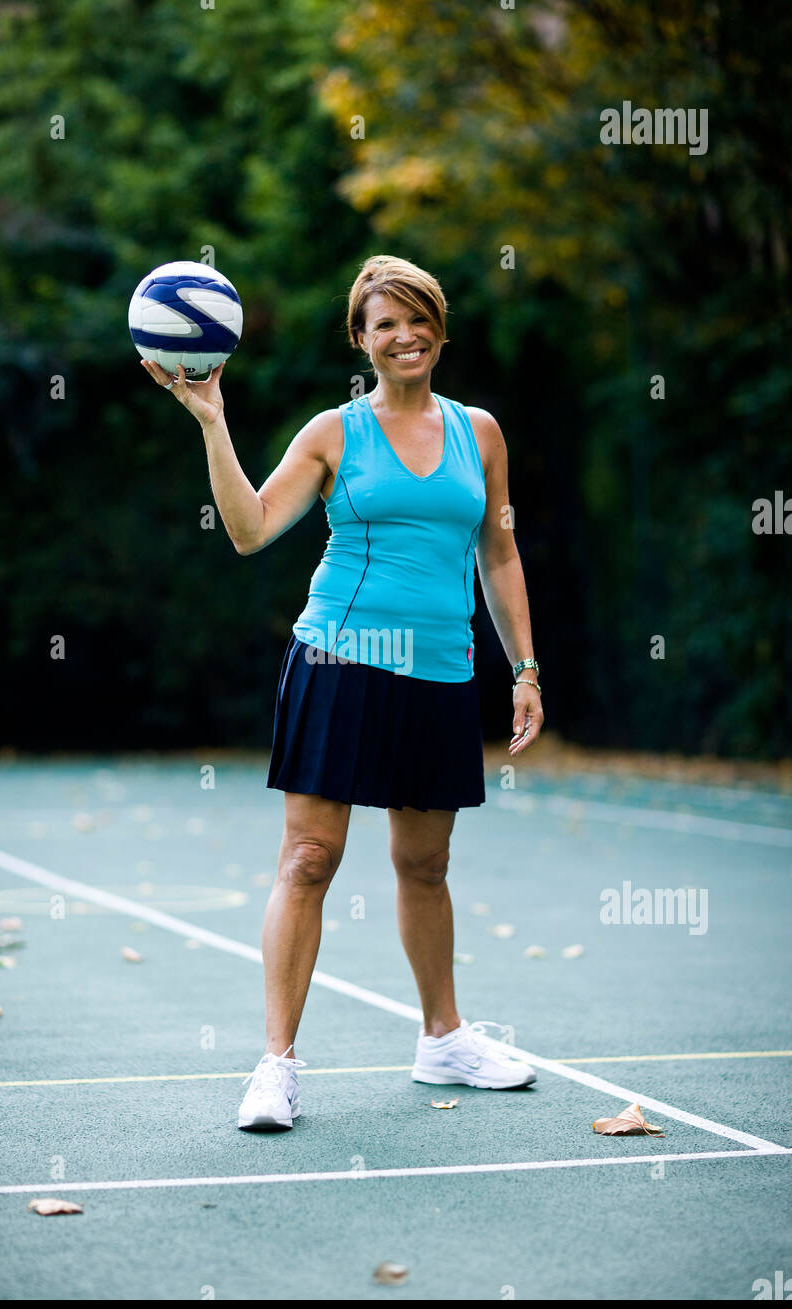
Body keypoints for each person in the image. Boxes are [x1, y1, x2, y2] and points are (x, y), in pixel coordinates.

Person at [141, 254, 544, 1131]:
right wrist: (212, 420)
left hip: (441, 672)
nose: (405, 335)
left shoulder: (481, 433)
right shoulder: (333, 433)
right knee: (309, 862)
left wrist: (524, 668)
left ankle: (444, 1038)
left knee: (425, 865)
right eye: (385, 323)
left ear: (440, 329)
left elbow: (499, 552)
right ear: (361, 340)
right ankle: (276, 1065)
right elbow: (248, 530)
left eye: (418, 318)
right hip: (339, 662)